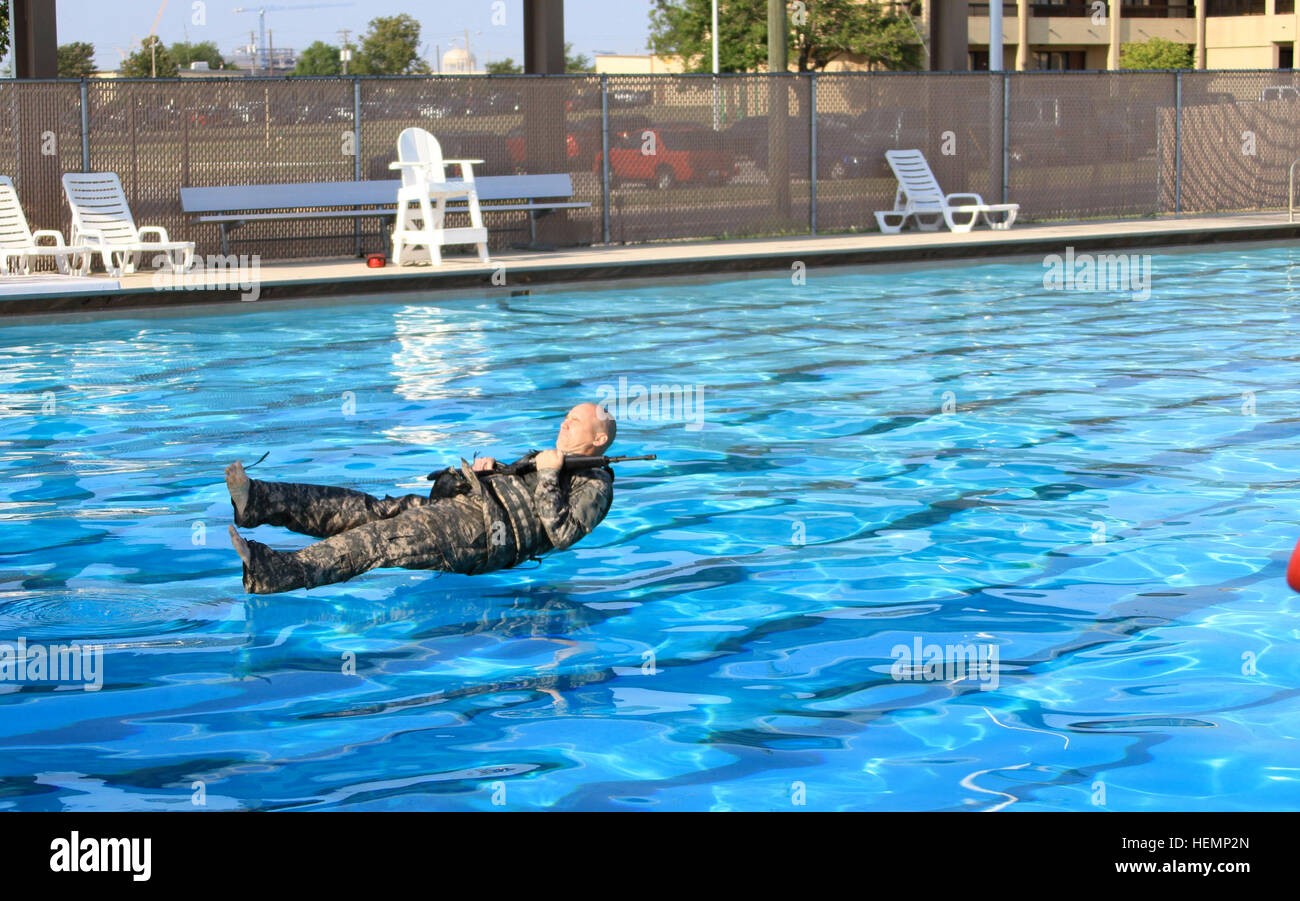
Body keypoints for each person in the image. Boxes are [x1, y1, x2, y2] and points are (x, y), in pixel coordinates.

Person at [227, 403, 617, 594]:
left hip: (480, 534)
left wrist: (548, 473)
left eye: (576, 420)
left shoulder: (596, 485)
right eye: (566, 415)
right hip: (464, 507)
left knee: (380, 540)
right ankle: (258, 500)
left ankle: (272, 571)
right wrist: (492, 469)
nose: (565, 421)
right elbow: (518, 493)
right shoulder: (552, 459)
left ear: (598, 439)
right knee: (370, 511)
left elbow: (562, 533)